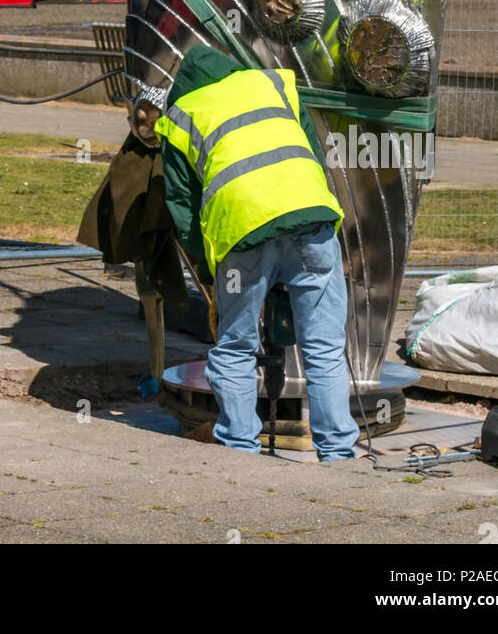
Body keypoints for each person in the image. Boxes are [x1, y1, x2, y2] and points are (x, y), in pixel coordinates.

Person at [141, 45, 359, 462]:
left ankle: (239, 451)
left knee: (235, 346)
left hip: (243, 235)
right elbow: (313, 157)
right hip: (311, 219)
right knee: (325, 348)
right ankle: (338, 456)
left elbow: (183, 209)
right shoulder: (274, 84)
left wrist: (208, 275)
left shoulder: (181, 116)